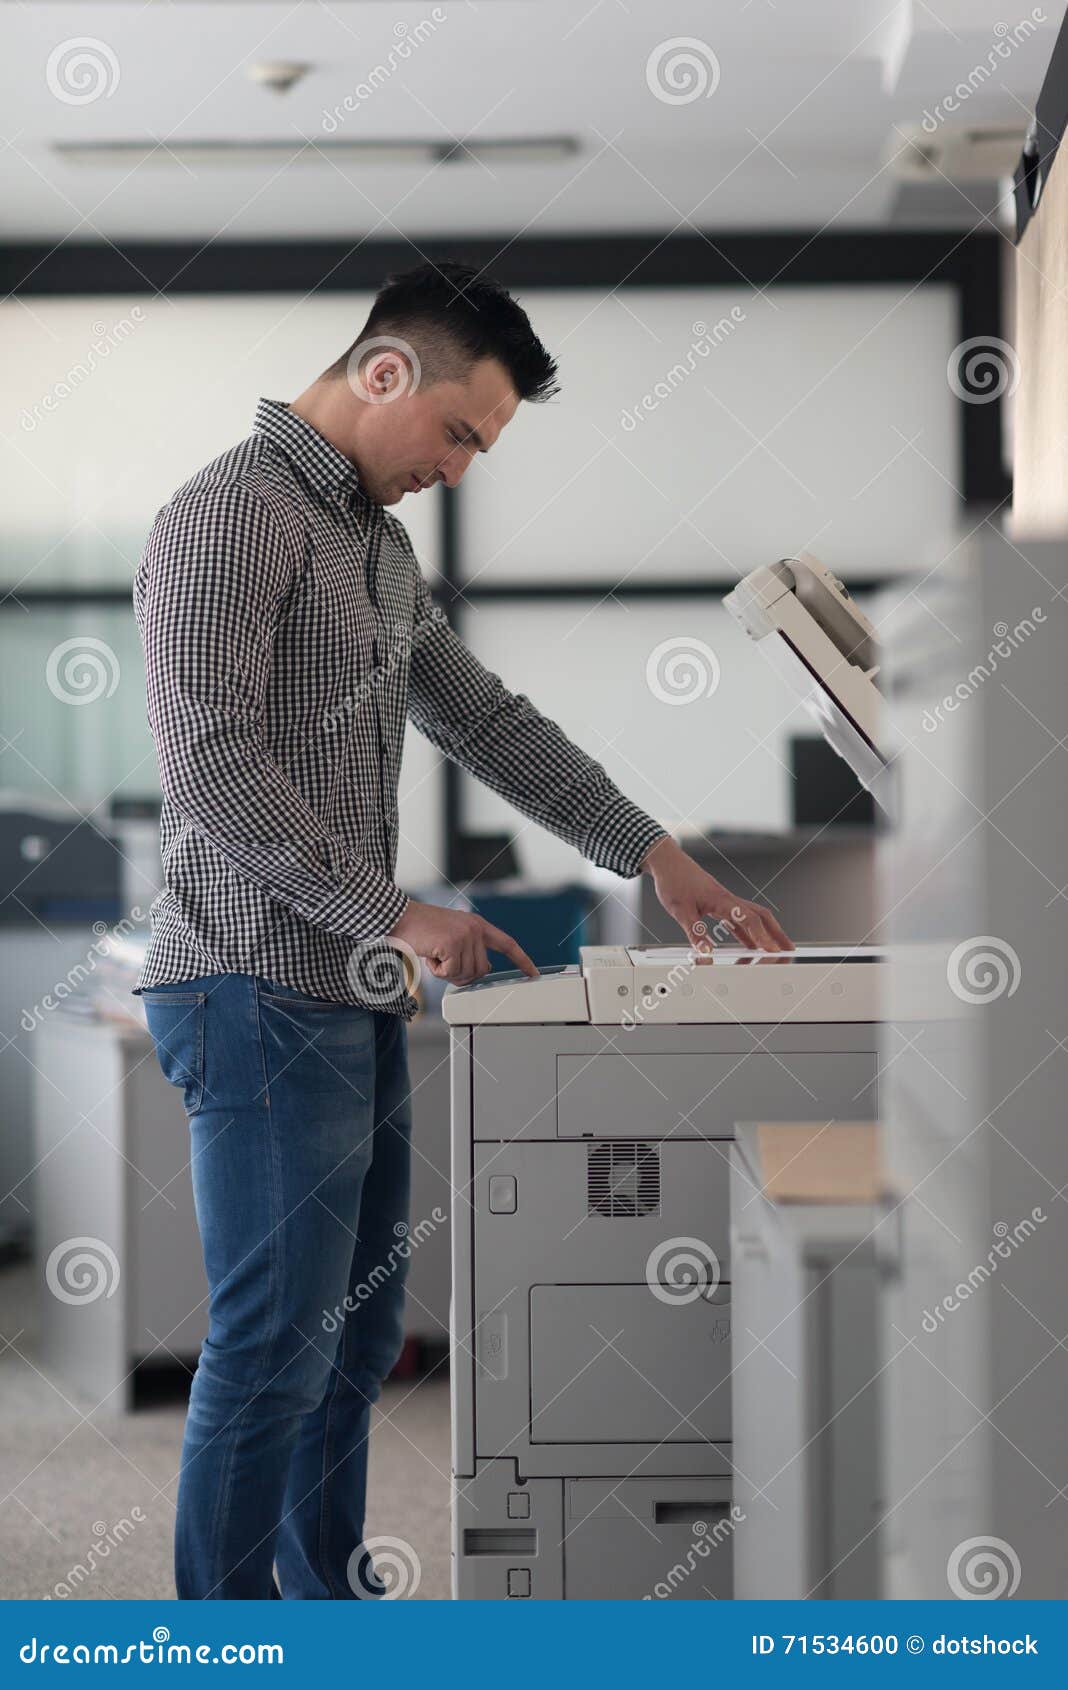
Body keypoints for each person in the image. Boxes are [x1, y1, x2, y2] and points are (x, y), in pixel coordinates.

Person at [134, 259, 792, 1600]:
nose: (464, 466)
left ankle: (318, 1615)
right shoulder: (229, 518)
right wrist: (396, 910)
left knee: (356, 1339)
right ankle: (217, 1642)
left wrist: (659, 856)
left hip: (350, 989)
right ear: (386, 373)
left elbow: (482, 719)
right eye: (460, 434)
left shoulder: (376, 543)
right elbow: (210, 767)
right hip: (252, 987)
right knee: (270, 1345)